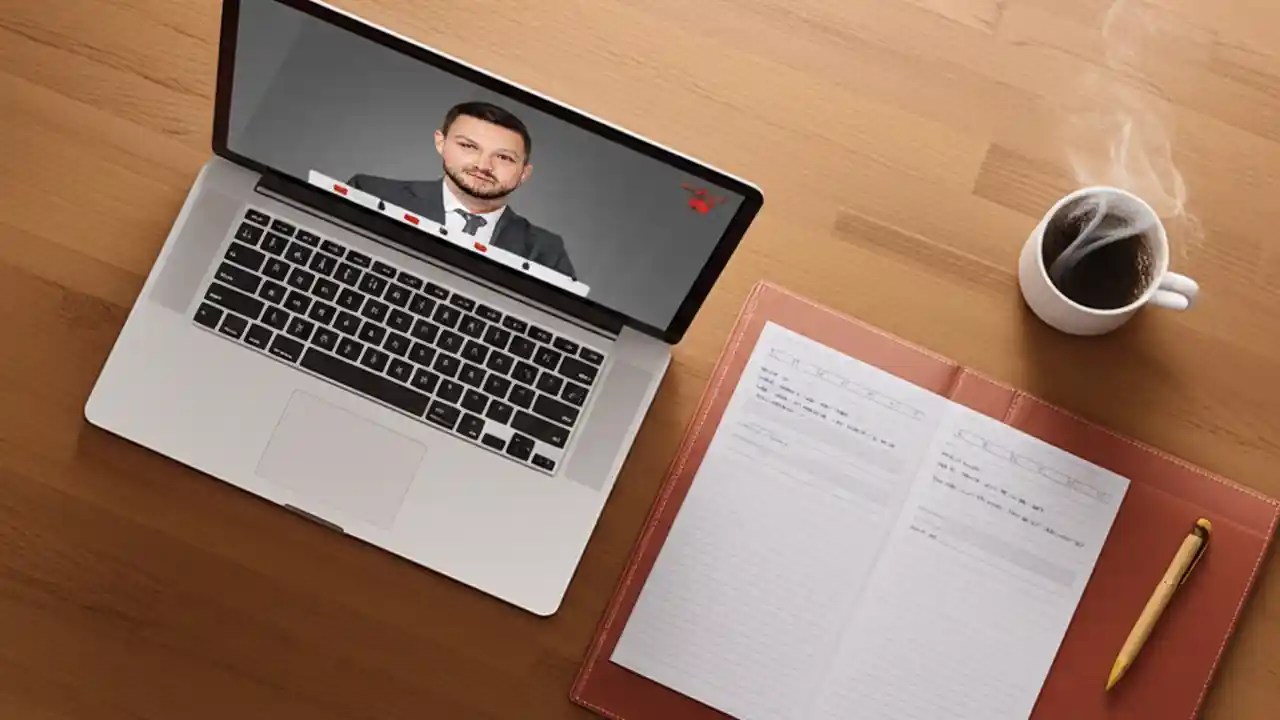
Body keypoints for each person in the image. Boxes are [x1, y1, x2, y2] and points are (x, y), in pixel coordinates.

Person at [348, 101, 576, 278]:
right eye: (468, 146)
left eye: (504, 157)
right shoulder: (370, 193)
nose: (483, 166)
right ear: (441, 143)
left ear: (524, 173)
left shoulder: (546, 251)